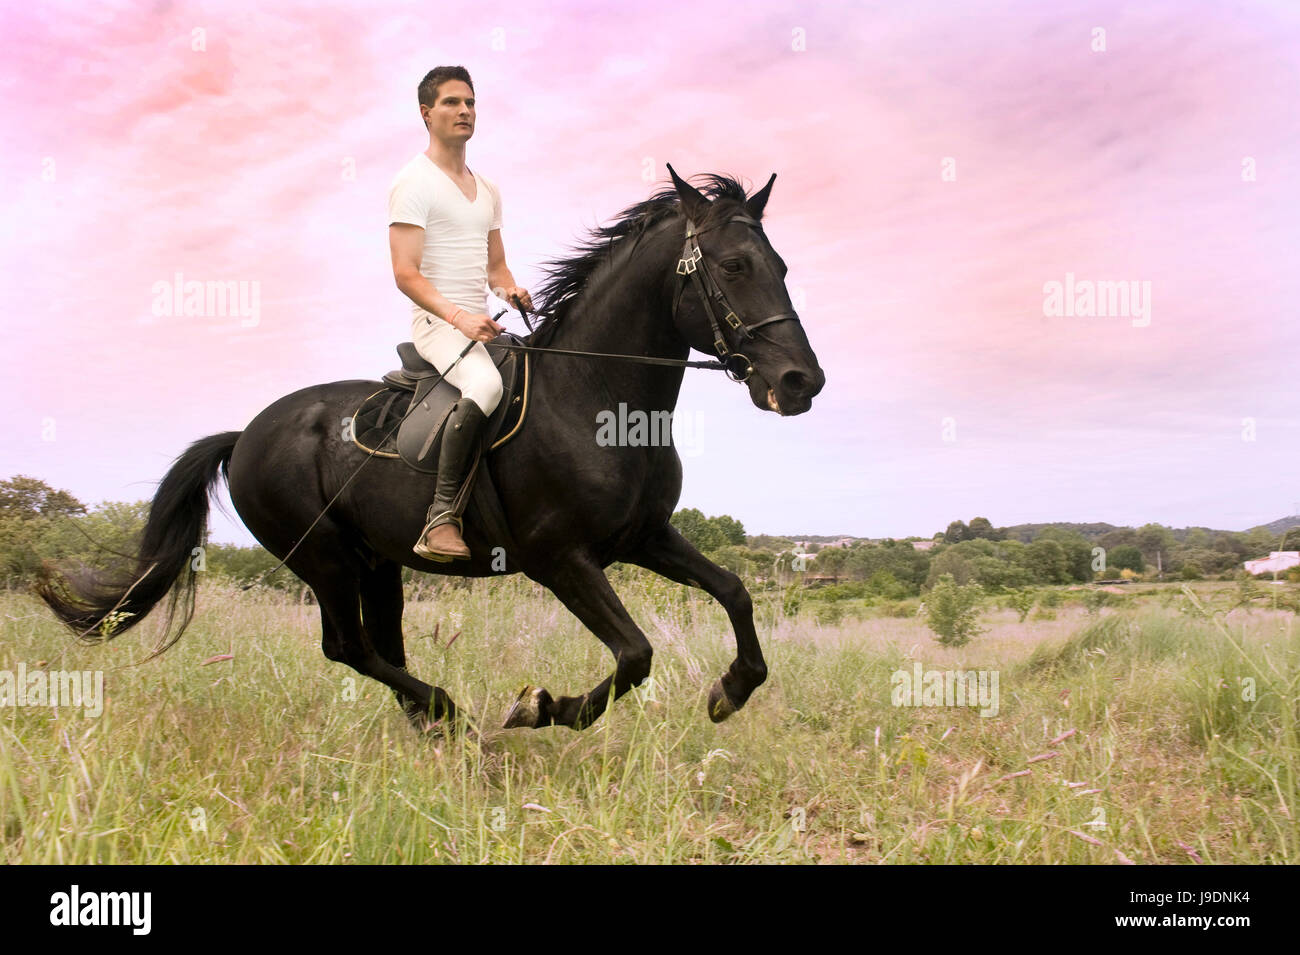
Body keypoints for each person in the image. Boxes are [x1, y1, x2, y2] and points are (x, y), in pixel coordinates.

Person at [387, 66, 532, 560]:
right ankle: (441, 518)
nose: (464, 110)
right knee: (487, 386)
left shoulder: (486, 187)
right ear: (426, 114)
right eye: (451, 102)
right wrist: (457, 317)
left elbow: (496, 267)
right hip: (438, 324)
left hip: (481, 323)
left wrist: (511, 290)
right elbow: (405, 273)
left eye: (469, 102)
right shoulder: (412, 182)